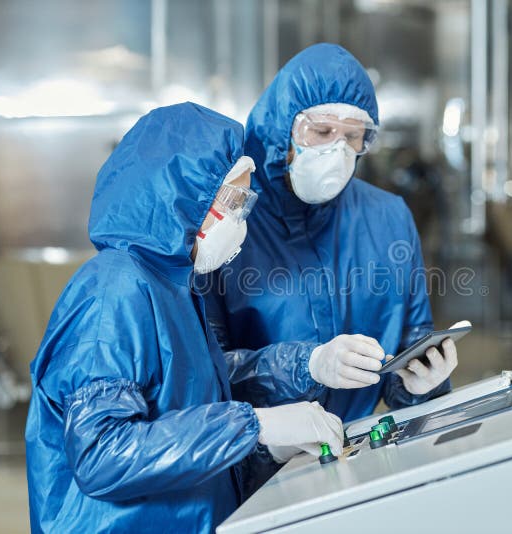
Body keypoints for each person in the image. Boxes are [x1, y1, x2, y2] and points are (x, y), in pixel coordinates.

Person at [25, 102, 343, 534]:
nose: (239, 219)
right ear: (183, 195)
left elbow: (195, 391)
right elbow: (102, 453)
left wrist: (305, 370)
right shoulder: (113, 289)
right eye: (233, 201)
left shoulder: (174, 282)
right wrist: (256, 426)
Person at [205, 43, 463, 425]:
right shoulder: (229, 221)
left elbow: (408, 342)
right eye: (322, 131)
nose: (337, 150)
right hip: (256, 465)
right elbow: (204, 377)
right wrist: (306, 366)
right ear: (281, 129)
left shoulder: (387, 217)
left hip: (354, 447)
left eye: (353, 136)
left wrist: (420, 384)